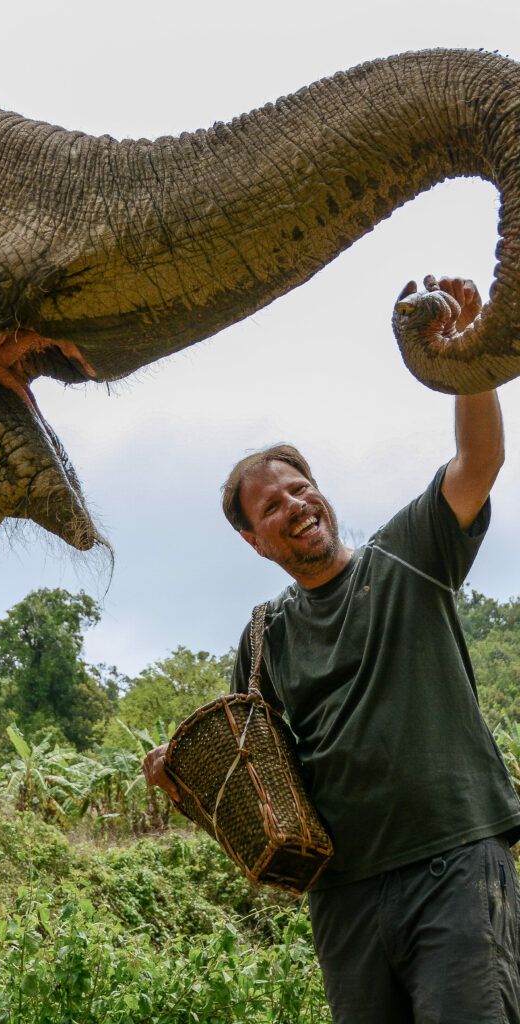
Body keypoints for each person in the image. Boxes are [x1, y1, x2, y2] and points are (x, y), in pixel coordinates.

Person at [143, 276, 520, 1023]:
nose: (295, 506)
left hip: (453, 861)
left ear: (320, 490)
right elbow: (252, 789)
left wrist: (465, 362)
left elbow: (477, 462)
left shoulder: (406, 557)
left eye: (299, 487)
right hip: (344, 898)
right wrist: (180, 776)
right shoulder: (263, 640)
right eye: (272, 506)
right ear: (255, 542)